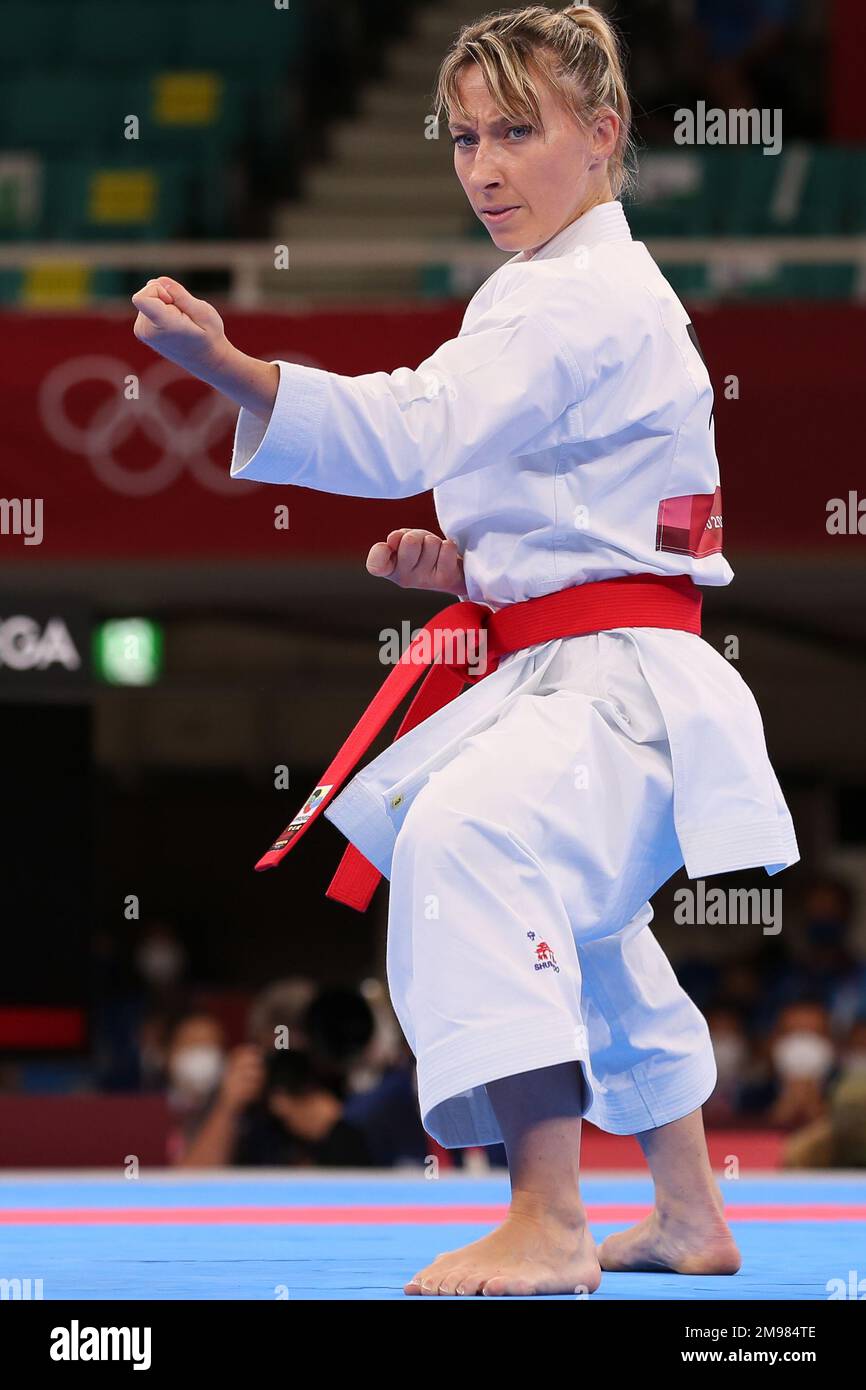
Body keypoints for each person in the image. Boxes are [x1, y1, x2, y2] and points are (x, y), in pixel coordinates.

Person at [131, 3, 799, 1295]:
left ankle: (548, 1214)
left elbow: (413, 427)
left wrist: (236, 370)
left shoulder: (570, 296)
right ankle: (687, 1210)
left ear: (601, 136)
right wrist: (474, 571)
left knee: (469, 837)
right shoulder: (588, 288)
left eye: (517, 132)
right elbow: (615, 520)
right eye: (463, 136)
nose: (483, 166)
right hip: (611, 665)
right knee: (591, 923)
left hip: (619, 686)